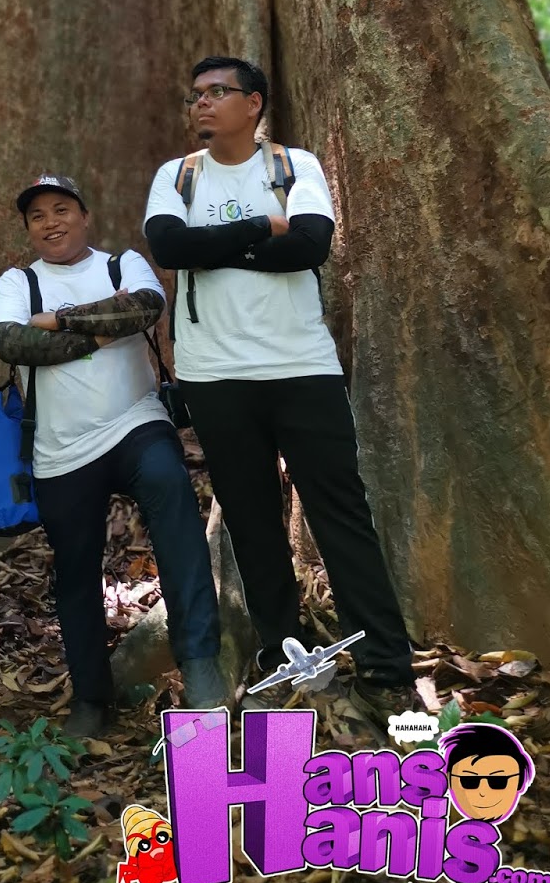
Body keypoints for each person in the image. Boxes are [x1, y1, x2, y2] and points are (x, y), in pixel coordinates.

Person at [143, 56, 415, 727]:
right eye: (196, 93)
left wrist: (216, 245)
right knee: (252, 520)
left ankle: (386, 668)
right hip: (214, 377)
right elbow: (168, 245)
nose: (202, 103)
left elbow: (312, 246)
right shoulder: (176, 176)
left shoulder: (295, 167)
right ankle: (280, 652)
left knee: (340, 513)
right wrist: (261, 229)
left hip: (301, 369)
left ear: (254, 103)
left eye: (218, 92)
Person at [0, 174, 224, 737]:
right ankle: (91, 699)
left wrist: (62, 322)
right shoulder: (17, 282)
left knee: (174, 507)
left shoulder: (123, 264)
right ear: (28, 229)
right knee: (74, 574)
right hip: (60, 451)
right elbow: (10, 342)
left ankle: (201, 663)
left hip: (137, 423)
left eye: (61, 209)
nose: (51, 222)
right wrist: (98, 331)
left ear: (84, 215)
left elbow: (142, 308)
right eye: (38, 215)